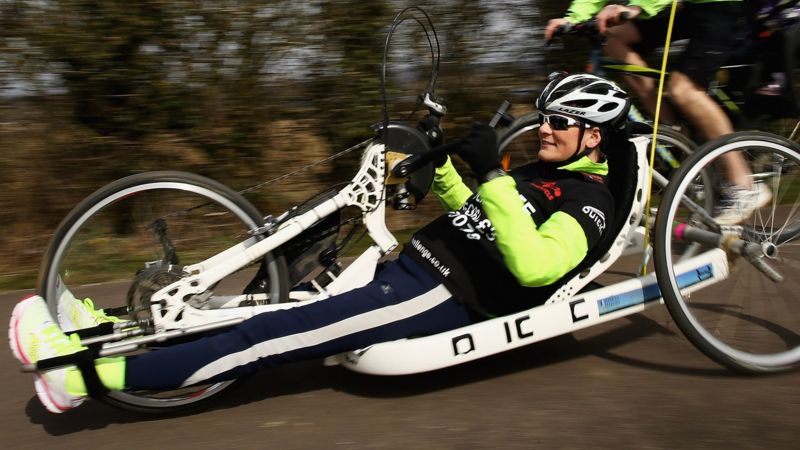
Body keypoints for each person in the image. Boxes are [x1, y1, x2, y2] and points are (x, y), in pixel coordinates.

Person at [9, 73, 630, 414]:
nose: (545, 128)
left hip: (438, 295)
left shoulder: (589, 205)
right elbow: (482, 219)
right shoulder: (541, 176)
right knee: (264, 301)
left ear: (594, 137)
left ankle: (84, 378)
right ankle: (103, 328)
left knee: (266, 339)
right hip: (409, 267)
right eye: (545, 117)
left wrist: (493, 173)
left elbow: (531, 264)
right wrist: (440, 168)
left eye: (560, 122)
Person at [544, 0, 773, 225]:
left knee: (682, 90)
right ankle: (676, 135)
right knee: (612, 39)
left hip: (721, 6)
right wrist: (572, 18)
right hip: (685, 8)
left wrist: (637, 7)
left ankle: (744, 185)